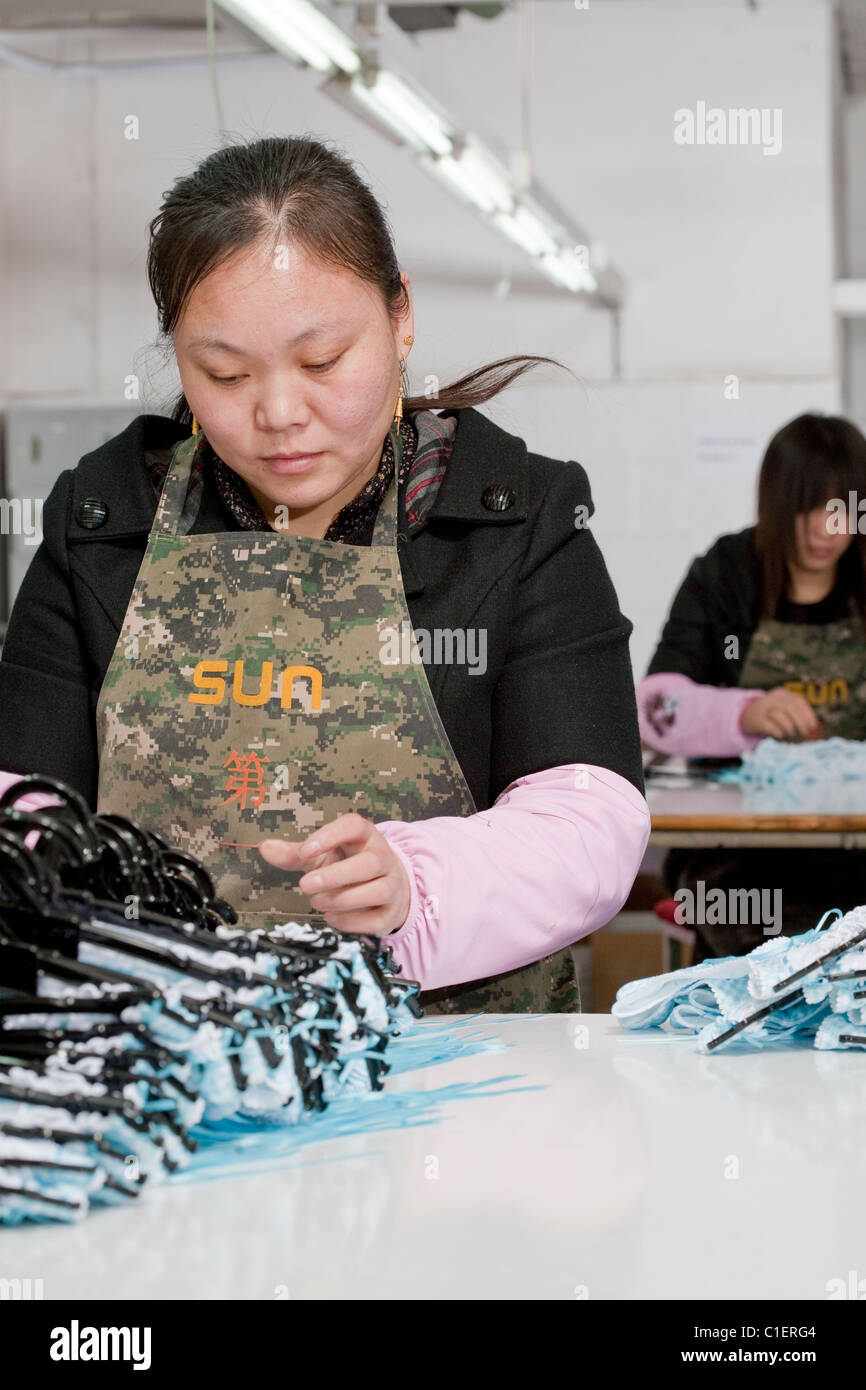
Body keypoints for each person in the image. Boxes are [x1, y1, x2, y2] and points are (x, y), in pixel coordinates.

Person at [0, 135, 649, 1011]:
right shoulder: (105, 522)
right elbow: (25, 803)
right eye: (223, 373)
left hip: (455, 1076)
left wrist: (418, 887)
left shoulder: (513, 518)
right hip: (171, 1069)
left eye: (321, 362)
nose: (277, 413)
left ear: (400, 316)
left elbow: (589, 817)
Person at [637, 412, 866, 960]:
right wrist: (744, 714)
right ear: (774, 504)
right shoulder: (726, 574)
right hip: (737, 853)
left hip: (858, 848)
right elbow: (654, 708)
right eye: (806, 508)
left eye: (840, 511)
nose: (823, 530)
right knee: (777, 951)